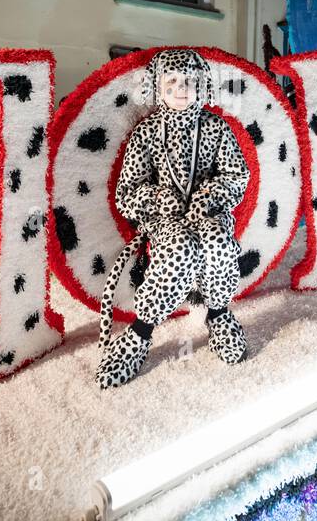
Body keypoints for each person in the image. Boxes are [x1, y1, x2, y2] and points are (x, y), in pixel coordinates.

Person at [95, 49, 251, 389]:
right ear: (158, 86)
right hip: (165, 220)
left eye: (190, 81)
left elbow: (237, 175)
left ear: (202, 85)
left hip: (208, 213)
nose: (182, 88)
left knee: (219, 244)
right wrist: (157, 199)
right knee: (180, 249)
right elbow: (127, 192)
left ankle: (219, 313)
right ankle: (140, 332)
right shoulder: (147, 133)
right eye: (172, 82)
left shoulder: (216, 128)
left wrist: (210, 196)